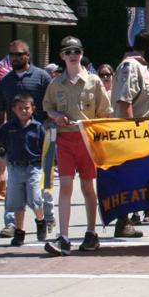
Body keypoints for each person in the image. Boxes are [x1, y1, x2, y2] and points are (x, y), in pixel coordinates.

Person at [43, 36, 111, 255]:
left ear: (82, 54)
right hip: (65, 140)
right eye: (68, 52)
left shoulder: (94, 81)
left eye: (77, 51)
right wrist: (55, 116)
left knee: (88, 187)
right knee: (65, 186)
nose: (73, 55)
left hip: (87, 140)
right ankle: (63, 238)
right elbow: (48, 108)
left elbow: (105, 114)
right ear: (62, 56)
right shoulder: (55, 84)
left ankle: (91, 233)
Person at [0, 40, 51, 238]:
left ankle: (45, 219)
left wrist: (51, 137)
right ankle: (11, 224)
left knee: (41, 186)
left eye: (18, 54)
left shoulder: (42, 77)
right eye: (11, 54)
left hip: (39, 136)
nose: (14, 58)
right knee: (13, 186)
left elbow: (50, 107)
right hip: (14, 137)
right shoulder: (5, 81)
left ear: (28, 55)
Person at [110, 32, 149, 239]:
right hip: (136, 135)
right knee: (132, 179)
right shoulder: (130, 66)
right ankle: (123, 222)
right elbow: (125, 102)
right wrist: (132, 132)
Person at [0, 92, 47, 247]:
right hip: (15, 168)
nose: (24, 111)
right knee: (17, 203)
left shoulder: (37, 128)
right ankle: (19, 232)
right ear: (14, 110)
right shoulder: (9, 127)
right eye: (20, 108)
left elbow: (47, 147)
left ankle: (41, 220)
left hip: (33, 167)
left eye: (27, 108)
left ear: (33, 109)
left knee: (35, 199)